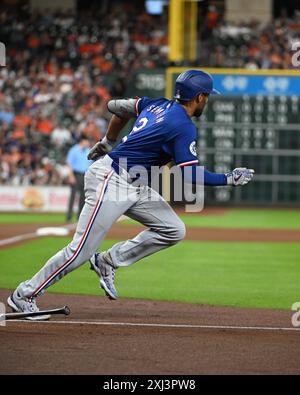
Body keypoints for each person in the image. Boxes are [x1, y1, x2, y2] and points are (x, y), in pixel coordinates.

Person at [7, 70, 254, 320]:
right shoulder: (183, 127)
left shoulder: (155, 104)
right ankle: (24, 295)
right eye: (207, 96)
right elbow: (190, 175)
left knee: (173, 229)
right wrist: (228, 178)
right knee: (80, 250)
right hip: (112, 179)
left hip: (135, 184)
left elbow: (116, 107)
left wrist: (108, 140)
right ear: (199, 97)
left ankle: (108, 260)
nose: (207, 100)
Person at [66, 136, 93, 222]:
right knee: (73, 196)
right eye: (87, 141)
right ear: (82, 141)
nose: (88, 143)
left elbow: (91, 163)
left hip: (85, 175)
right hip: (76, 174)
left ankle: (79, 216)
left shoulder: (89, 150)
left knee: (83, 197)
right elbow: (69, 163)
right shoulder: (74, 150)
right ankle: (69, 216)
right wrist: (71, 176)